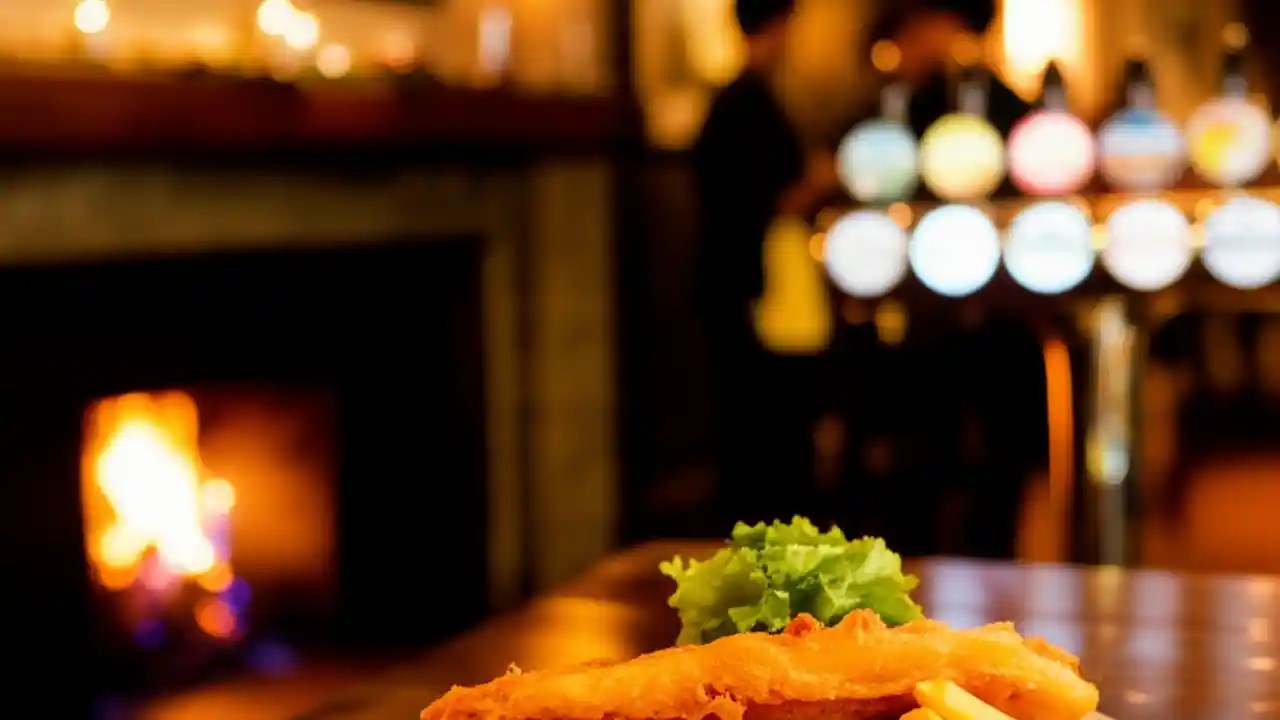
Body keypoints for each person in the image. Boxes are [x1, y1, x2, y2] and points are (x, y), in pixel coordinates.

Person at [692, 0, 837, 525]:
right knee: (768, 422)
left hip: (743, 283)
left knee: (760, 421)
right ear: (777, 27)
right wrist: (817, 183)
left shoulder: (739, 100)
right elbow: (759, 198)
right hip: (755, 285)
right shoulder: (745, 103)